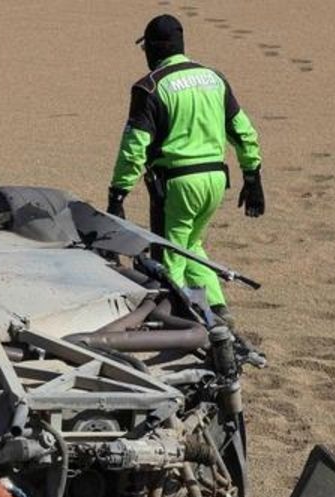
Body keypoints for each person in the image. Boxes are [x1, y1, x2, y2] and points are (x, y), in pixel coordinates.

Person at [107, 14, 264, 326]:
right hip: (216, 180)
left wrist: (118, 194)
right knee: (191, 245)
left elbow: (135, 147)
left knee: (169, 256)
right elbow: (243, 131)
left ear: (152, 48)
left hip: (178, 184)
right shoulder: (213, 78)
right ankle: (218, 309)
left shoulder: (150, 87)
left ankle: (177, 321)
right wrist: (252, 175)